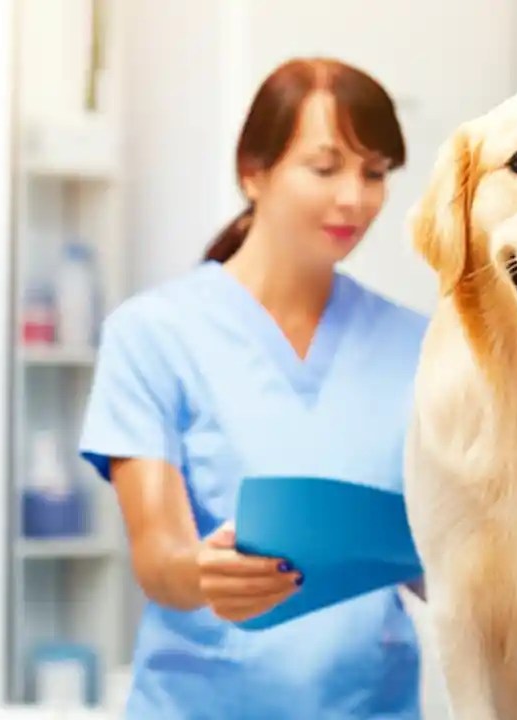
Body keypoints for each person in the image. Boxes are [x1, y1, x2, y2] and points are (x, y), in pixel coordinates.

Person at [77, 57, 429, 719]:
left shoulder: (419, 346)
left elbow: (442, 557)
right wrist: (206, 575)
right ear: (252, 171)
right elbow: (159, 557)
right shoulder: (154, 334)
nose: (354, 197)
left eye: (374, 172)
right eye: (325, 168)